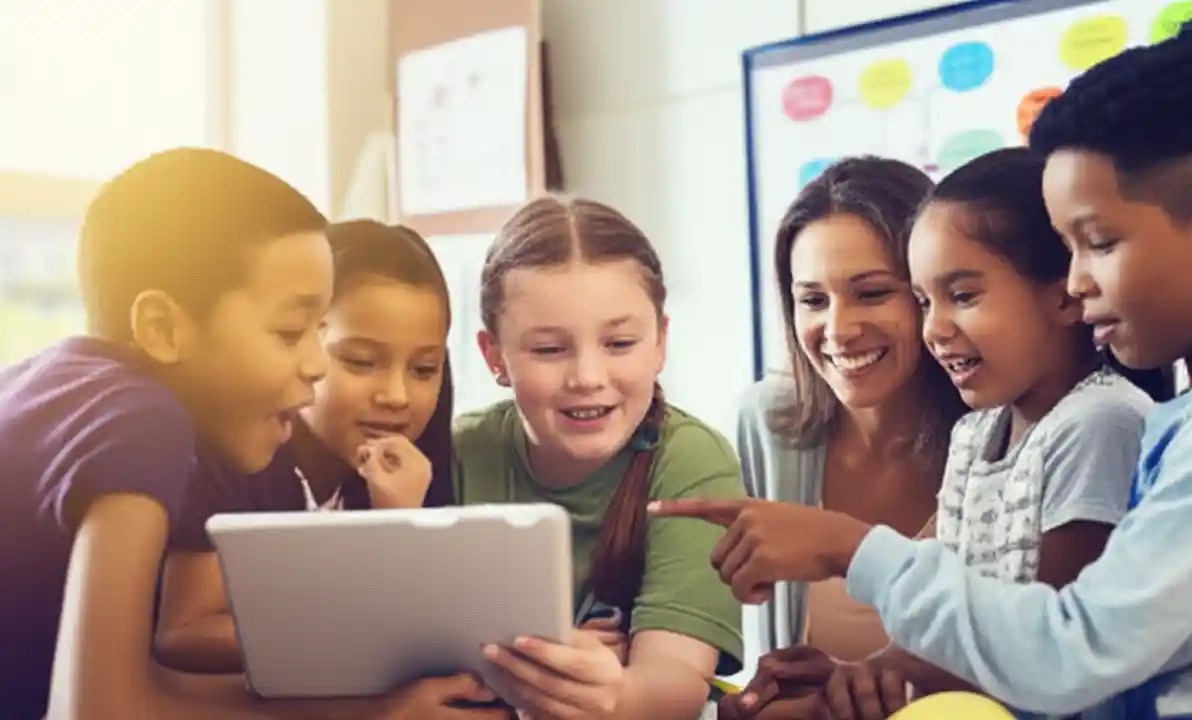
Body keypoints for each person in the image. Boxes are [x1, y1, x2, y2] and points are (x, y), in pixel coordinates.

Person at [654, 23, 1192, 717]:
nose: (1075, 283)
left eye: (1098, 244)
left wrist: (852, 549)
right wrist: (867, 672)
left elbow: (1073, 652)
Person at [0, 148, 457, 718]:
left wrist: (362, 705)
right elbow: (100, 710)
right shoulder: (142, 420)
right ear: (163, 328)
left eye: (319, 331)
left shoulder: (48, 384)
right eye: (292, 331)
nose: (316, 365)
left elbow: (150, 686)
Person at [453, 195, 746, 719]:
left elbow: (675, 686)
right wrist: (554, 667)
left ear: (660, 343)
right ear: (493, 355)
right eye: (549, 349)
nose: (587, 377)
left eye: (619, 343)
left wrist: (606, 692)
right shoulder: (458, 454)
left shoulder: (692, 461)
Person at [154, 221, 464, 674]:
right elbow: (185, 632)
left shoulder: (411, 472)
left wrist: (398, 518)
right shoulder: (234, 450)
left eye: (423, 369)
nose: (396, 395)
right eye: (360, 362)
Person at [735, 157, 965, 663]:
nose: (838, 330)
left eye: (873, 293)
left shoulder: (995, 438)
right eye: (813, 300)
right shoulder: (767, 423)